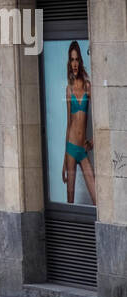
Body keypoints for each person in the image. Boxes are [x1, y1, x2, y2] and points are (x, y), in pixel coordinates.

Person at [63, 41, 96, 206]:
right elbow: (68, 123)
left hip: (82, 149)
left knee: (97, 197)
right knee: (70, 200)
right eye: (72, 60)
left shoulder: (88, 86)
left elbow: (98, 117)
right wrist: (63, 162)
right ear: (69, 63)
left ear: (80, 61)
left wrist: (92, 142)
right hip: (70, 148)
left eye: (76, 59)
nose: (74, 63)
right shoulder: (68, 89)